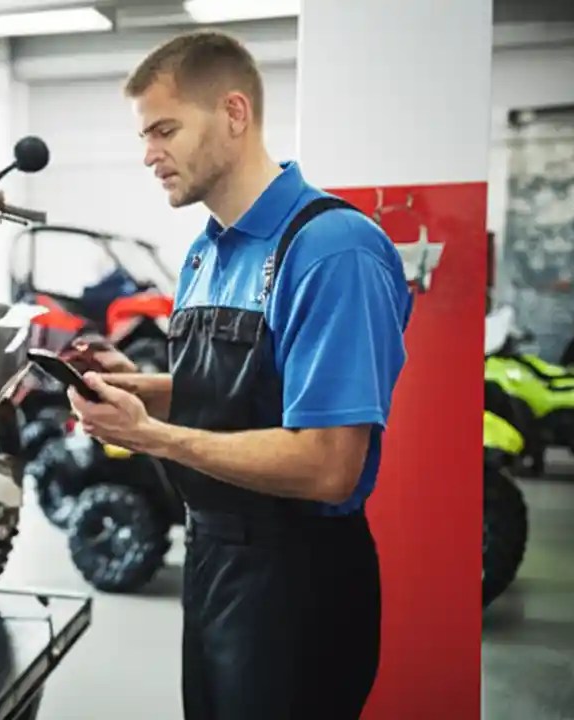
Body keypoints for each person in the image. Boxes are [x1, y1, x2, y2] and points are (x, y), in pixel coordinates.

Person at [66, 31, 414, 719]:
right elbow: (252, 387)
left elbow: (327, 464)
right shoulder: (205, 250)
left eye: (164, 129)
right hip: (214, 557)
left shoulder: (332, 252)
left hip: (298, 582)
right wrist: (147, 388)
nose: (148, 155)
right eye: (143, 135)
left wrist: (154, 436)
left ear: (234, 113)